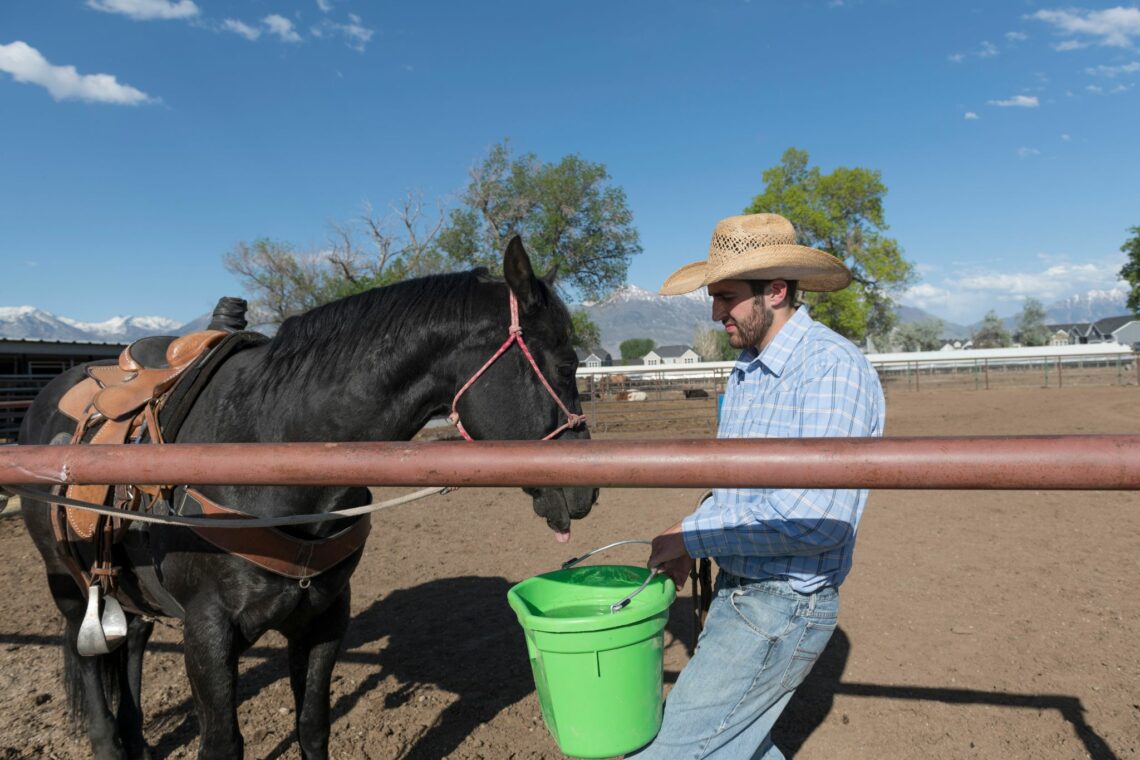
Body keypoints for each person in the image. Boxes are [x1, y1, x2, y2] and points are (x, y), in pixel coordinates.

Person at [633, 212, 885, 759]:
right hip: (746, 594)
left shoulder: (831, 369)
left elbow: (815, 513)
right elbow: (741, 487)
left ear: (774, 291)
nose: (715, 310)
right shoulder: (747, 371)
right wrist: (692, 527)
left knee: (668, 751)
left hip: (783, 604)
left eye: (725, 296)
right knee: (732, 748)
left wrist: (693, 537)